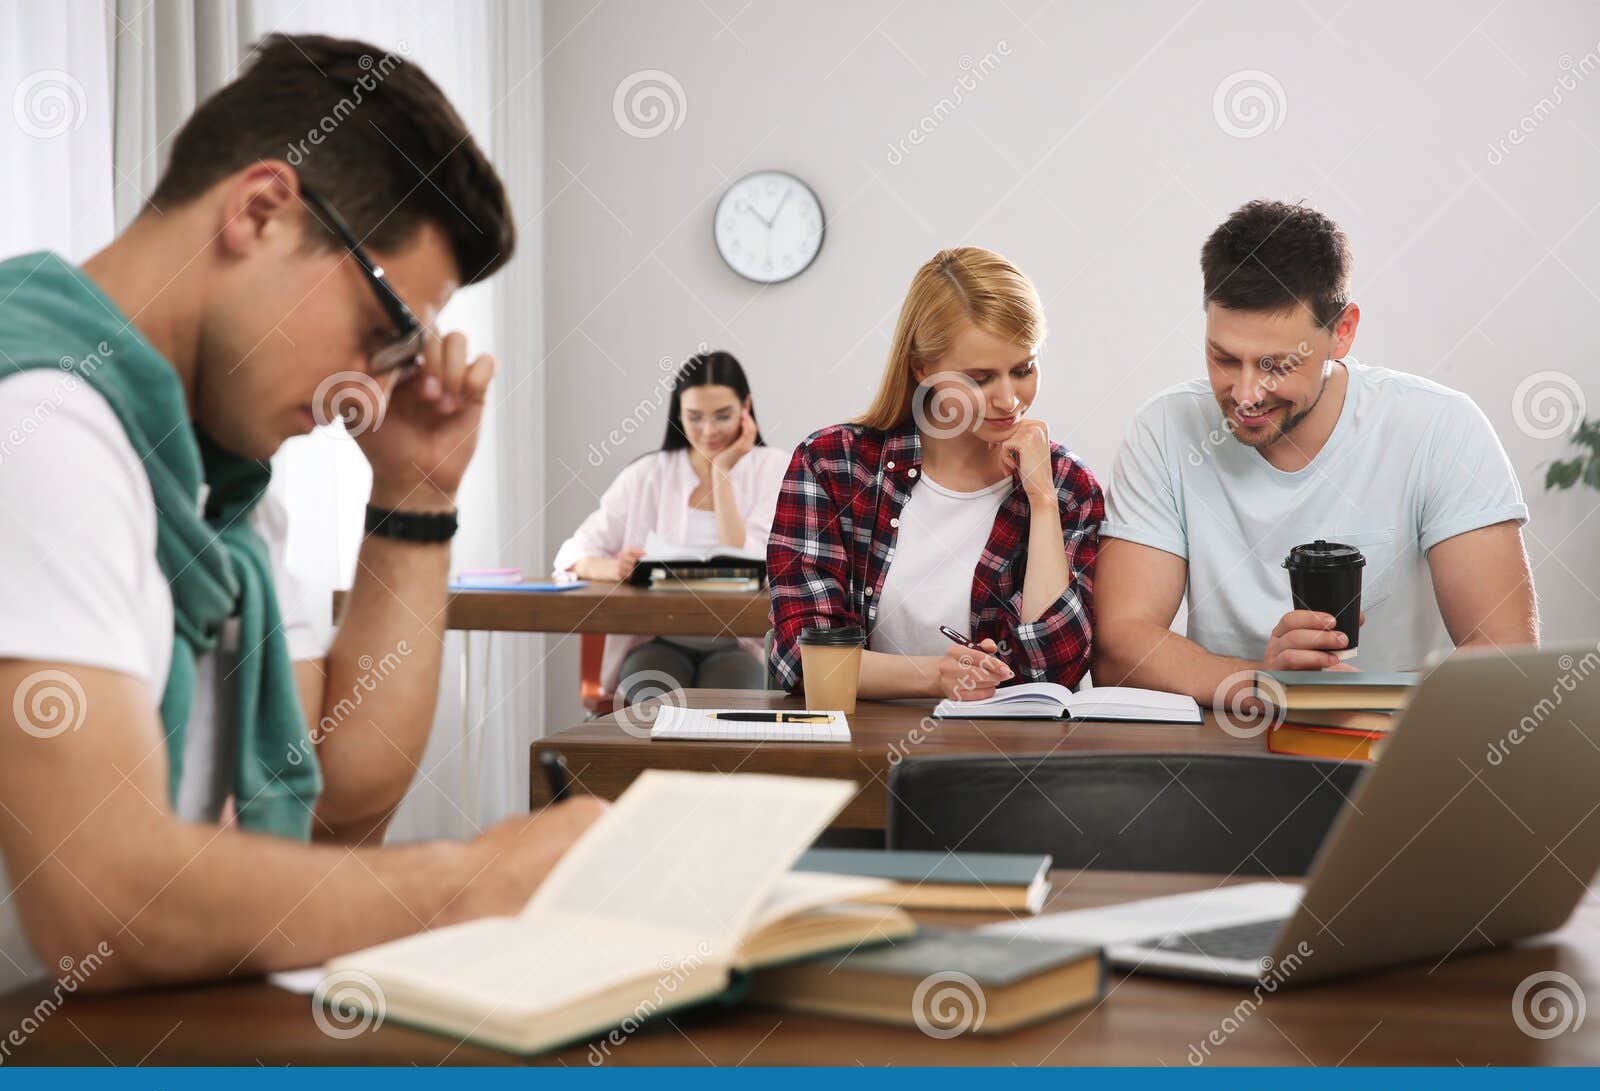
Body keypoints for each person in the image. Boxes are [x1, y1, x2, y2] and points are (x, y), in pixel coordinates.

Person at [0, 34, 604, 995]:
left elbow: (343, 795)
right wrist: (479, 880)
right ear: (261, 211)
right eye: (379, 335)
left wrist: (418, 498)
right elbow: (102, 903)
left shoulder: (221, 486)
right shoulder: (39, 423)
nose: (366, 392)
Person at [1092, 200, 1537, 706]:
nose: (1245, 394)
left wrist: (1334, 702)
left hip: (1390, 756)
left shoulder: (1439, 426)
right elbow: (1119, 650)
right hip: (1226, 756)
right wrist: (1265, 682)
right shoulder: (1165, 428)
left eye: (1276, 364)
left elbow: (1506, 655)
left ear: (1342, 332)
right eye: (1223, 358)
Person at [767, 247, 1103, 702]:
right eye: (980, 378)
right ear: (922, 369)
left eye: (1023, 369)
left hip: (1004, 761)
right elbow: (805, 657)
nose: (1008, 399)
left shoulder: (1069, 487)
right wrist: (936, 676)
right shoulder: (832, 465)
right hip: (857, 750)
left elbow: (1052, 674)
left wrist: (1042, 502)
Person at [553, 350, 789, 701]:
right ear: (678, 412)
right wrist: (612, 568)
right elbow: (573, 552)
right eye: (694, 417)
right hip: (656, 639)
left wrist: (721, 472)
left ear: (746, 407)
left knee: (731, 719)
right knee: (649, 709)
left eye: (722, 416)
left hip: (742, 644)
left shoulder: (775, 469)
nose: (708, 431)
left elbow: (753, 563)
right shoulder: (647, 474)